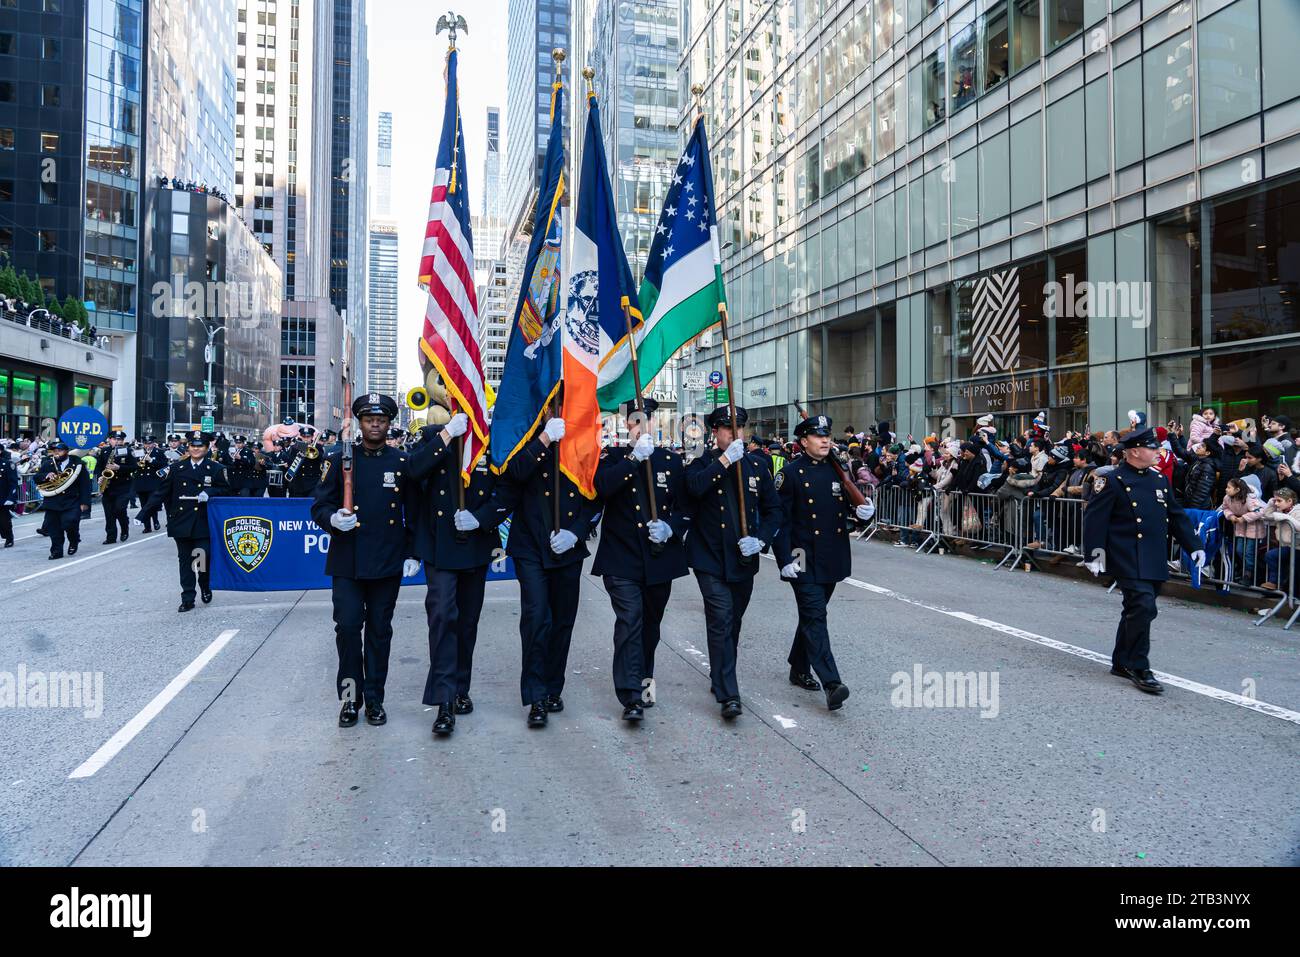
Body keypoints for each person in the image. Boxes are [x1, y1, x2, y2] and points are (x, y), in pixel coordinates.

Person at [311, 393, 421, 728]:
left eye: (382, 420)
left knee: (378, 632)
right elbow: (319, 505)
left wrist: (412, 552)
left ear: (389, 423)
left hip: (387, 560)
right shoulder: (339, 457)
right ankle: (349, 699)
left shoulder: (401, 462)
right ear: (359, 422)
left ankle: (374, 699)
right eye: (369, 419)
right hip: (348, 560)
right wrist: (332, 519)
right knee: (346, 628)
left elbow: (413, 513)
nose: (375, 424)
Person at [1081, 414, 1205, 694]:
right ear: (1135, 451)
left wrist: (1194, 545)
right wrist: (1094, 554)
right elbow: (1095, 520)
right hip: (1125, 555)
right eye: (1153, 447)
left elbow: (1176, 516)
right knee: (1143, 606)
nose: (1158, 452)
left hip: (1153, 555)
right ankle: (1140, 666)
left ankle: (1121, 661)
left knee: (1137, 610)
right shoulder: (1111, 480)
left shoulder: (1159, 479)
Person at [409, 410, 507, 736]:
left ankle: (460, 687)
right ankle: (444, 701)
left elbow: (505, 492)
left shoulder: (490, 443)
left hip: (475, 542)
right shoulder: (435, 437)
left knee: (466, 622)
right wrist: (448, 434)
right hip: (439, 544)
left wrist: (482, 517)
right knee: (441, 616)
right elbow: (413, 471)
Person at [592, 398, 690, 721]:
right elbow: (602, 488)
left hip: (659, 559)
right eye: (633, 422)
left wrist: (670, 528)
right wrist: (634, 459)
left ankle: (645, 677)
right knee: (629, 621)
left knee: (651, 627)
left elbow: (685, 509)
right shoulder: (615, 457)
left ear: (654, 423)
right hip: (622, 558)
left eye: (644, 420)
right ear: (626, 426)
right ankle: (631, 695)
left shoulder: (671, 462)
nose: (639, 426)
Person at [684, 406, 781, 720]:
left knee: (733, 623)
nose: (735, 434)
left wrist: (762, 540)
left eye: (740, 428)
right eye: (728, 429)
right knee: (721, 619)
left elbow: (773, 511)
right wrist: (726, 461)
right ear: (716, 432)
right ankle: (729, 694)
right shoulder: (703, 463)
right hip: (709, 556)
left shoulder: (757, 466)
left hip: (743, 558)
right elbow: (695, 489)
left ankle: (720, 675)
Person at [773, 414, 875, 710]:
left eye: (827, 435)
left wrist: (862, 512)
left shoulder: (837, 470)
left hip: (831, 555)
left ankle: (799, 666)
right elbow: (780, 520)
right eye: (817, 436)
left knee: (812, 616)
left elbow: (844, 506)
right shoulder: (790, 474)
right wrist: (783, 558)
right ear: (803, 442)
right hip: (802, 556)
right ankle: (832, 683)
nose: (825, 440)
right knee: (816, 616)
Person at [502, 415, 598, 728]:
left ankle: (553, 687)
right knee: (536, 618)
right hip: (530, 543)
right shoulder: (526, 435)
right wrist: (544, 439)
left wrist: (577, 532)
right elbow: (514, 474)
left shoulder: (583, 440)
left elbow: (596, 494)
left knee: (561, 621)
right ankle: (536, 696)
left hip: (568, 545)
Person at [137, 431, 230, 611]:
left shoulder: (215, 468)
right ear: (188, 447)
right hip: (181, 520)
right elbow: (161, 493)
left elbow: (226, 490)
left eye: (200, 446)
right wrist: (143, 515)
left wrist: (209, 493)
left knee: (202, 557)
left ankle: (204, 584)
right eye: (193, 446)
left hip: (204, 521)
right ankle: (188, 597)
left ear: (206, 447)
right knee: (185, 560)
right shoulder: (177, 468)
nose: (196, 449)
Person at [35, 442, 91, 558]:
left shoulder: (77, 465)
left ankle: (74, 540)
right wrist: (46, 475)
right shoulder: (47, 464)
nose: (56, 453)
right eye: (54, 451)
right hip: (52, 501)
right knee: (54, 529)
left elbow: (85, 485)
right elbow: (36, 478)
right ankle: (56, 551)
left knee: (70, 523)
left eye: (59, 450)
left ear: (66, 451)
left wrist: (85, 502)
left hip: (71, 501)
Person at [94, 430, 140, 544]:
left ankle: (124, 529)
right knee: (109, 513)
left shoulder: (128, 451)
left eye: (120, 439)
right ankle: (111, 536)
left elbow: (135, 467)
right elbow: (98, 467)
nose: (117, 441)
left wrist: (119, 468)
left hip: (123, 486)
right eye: (115, 439)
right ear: (110, 440)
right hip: (108, 487)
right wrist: (100, 477)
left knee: (119, 509)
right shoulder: (104, 451)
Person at [131, 436, 166, 532]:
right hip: (141, 482)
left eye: (149, 443)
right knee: (144, 505)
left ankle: (155, 521)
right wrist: (135, 460)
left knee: (151, 504)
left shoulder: (159, 452)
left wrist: (151, 460)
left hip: (153, 481)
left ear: (153, 443)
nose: (148, 445)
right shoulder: (138, 452)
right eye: (146, 443)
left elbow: (164, 465)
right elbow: (133, 465)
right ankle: (147, 526)